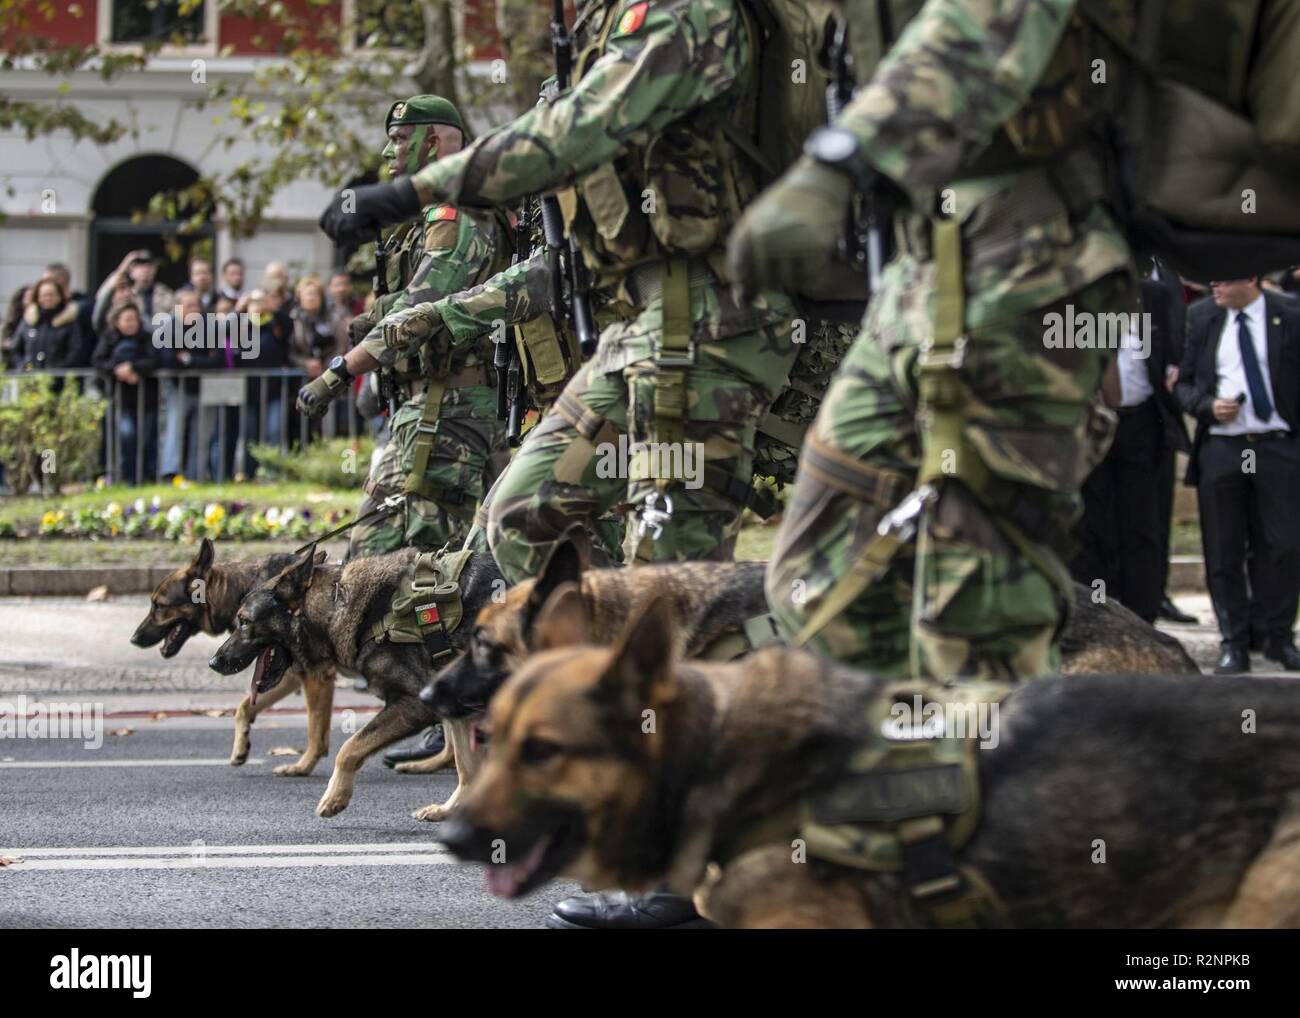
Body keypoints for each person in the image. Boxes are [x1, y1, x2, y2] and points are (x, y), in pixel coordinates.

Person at [316, 1, 811, 933]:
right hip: (639, 330)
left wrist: (407, 193)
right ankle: (610, 739)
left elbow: (577, 132)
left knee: (672, 590)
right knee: (521, 512)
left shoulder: (689, 11)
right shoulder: (601, 23)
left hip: (713, 328)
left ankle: (691, 860)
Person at [728, 0, 1137, 681]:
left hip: (1029, 260)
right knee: (812, 575)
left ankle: (989, 764)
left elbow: (984, 24)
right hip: (919, 266)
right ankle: (918, 750)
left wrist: (835, 165)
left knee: (979, 634)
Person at [301, 94, 513, 557]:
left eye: (398, 139)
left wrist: (339, 372)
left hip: (449, 407)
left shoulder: (457, 218)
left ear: (433, 142)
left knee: (412, 561)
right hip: (430, 405)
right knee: (383, 560)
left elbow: (420, 307)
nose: (387, 152)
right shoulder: (428, 218)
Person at [1174, 277, 1300, 673]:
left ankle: (1278, 637)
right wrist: (1208, 406)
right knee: (1223, 547)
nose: (1214, 286)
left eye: (1223, 279)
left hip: (1277, 445)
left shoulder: (1290, 315)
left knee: (1283, 544)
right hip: (1225, 448)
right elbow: (1183, 385)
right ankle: (1234, 641)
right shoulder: (1200, 317)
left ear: (1251, 278)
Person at [1071, 274, 1189, 624]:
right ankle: (1097, 614)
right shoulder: (1075, 297)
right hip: (1090, 422)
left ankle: (1142, 618)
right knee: (1092, 525)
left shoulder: (1153, 295)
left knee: (1142, 525)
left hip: (1142, 422)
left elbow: (1175, 346)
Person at [93, 302, 159, 483]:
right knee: (127, 436)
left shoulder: (147, 338)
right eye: (127, 320)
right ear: (117, 321)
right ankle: (127, 475)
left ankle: (144, 475)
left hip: (146, 399)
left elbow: (154, 360)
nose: (131, 323)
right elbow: (98, 362)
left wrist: (134, 368)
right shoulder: (109, 338)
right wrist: (118, 371)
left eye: (134, 319)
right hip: (120, 398)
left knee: (145, 440)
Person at [13, 277, 84, 372]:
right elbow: (16, 349)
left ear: (60, 297)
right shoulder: (29, 321)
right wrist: (23, 366)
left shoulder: (69, 322)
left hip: (59, 378)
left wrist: (59, 370)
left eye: (51, 295)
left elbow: (75, 351)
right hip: (30, 378)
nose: (47, 299)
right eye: (43, 295)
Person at [93, 250, 173, 333]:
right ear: (130, 269)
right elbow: (100, 304)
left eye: (149, 265)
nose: (146, 270)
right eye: (140, 265)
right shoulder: (123, 294)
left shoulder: (165, 294)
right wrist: (122, 269)